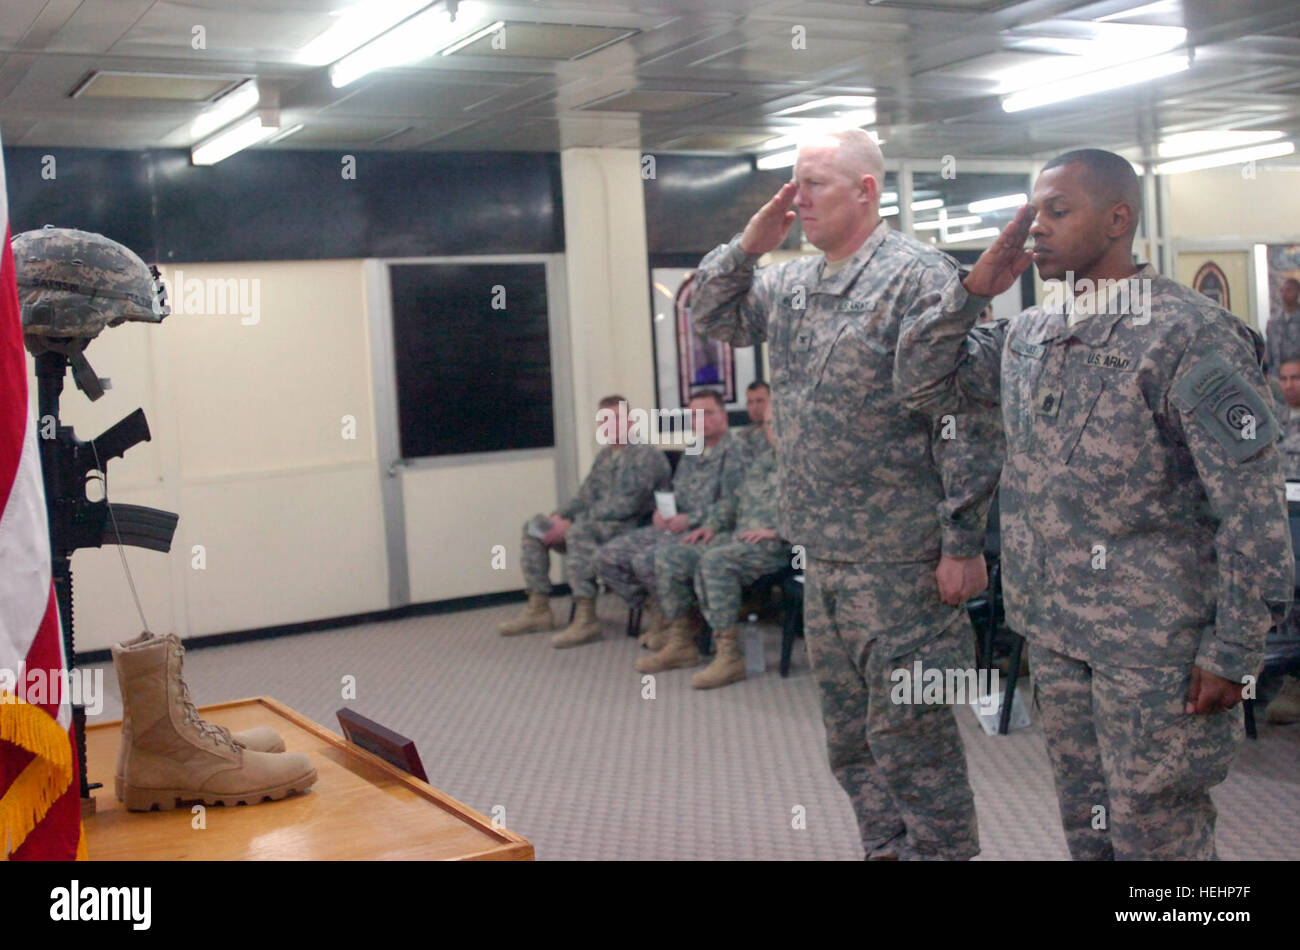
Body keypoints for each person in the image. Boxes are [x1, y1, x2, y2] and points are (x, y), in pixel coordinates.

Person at [893, 147, 1295, 860]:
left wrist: (1233, 652)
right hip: (1054, 630)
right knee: (1090, 831)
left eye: (1056, 210)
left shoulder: (1189, 334)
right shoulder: (1030, 334)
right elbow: (922, 381)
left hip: (1154, 644)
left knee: (1157, 835)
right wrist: (973, 289)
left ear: (1118, 220)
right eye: (1032, 211)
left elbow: (1254, 512)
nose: (1034, 228)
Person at [690, 128, 1003, 860]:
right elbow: (708, 314)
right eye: (793, 183)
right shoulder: (793, 283)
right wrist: (747, 246)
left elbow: (968, 420)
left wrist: (963, 543)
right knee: (852, 743)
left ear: (867, 190)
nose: (798, 198)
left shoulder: (922, 278)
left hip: (905, 562)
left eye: (815, 183)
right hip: (822, 555)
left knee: (914, 742)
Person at [498, 394, 671, 647]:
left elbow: (626, 506)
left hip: (632, 526)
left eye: (617, 418)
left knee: (580, 532)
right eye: (605, 420)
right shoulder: (605, 457)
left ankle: (586, 618)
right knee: (534, 526)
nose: (611, 425)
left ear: (631, 421)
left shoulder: (646, 456)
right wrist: (559, 516)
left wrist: (570, 524)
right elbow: (584, 496)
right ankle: (539, 609)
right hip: (599, 523)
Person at [639, 417, 789, 688]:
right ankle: (681, 642)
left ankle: (729, 655)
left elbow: (820, 512)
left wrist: (780, 530)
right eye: (768, 423)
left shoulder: (806, 462)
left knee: (715, 562)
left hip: (780, 546)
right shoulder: (762, 462)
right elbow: (733, 501)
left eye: (778, 420)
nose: (773, 428)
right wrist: (710, 526)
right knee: (673, 555)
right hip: (739, 537)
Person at [595, 390, 743, 651]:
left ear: (724, 416)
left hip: (710, 530)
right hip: (675, 525)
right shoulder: (693, 449)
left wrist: (690, 519)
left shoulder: (737, 451)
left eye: (708, 413)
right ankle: (663, 612)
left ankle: (683, 624)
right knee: (609, 556)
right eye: (695, 415)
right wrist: (662, 512)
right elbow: (676, 491)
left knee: (646, 560)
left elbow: (733, 504)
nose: (701, 420)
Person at [1266, 277, 1300, 378]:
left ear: (1297, 292)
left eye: (1289, 290)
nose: (1284, 294)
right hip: (1278, 376)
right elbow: (1269, 350)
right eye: (1282, 290)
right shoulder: (1273, 321)